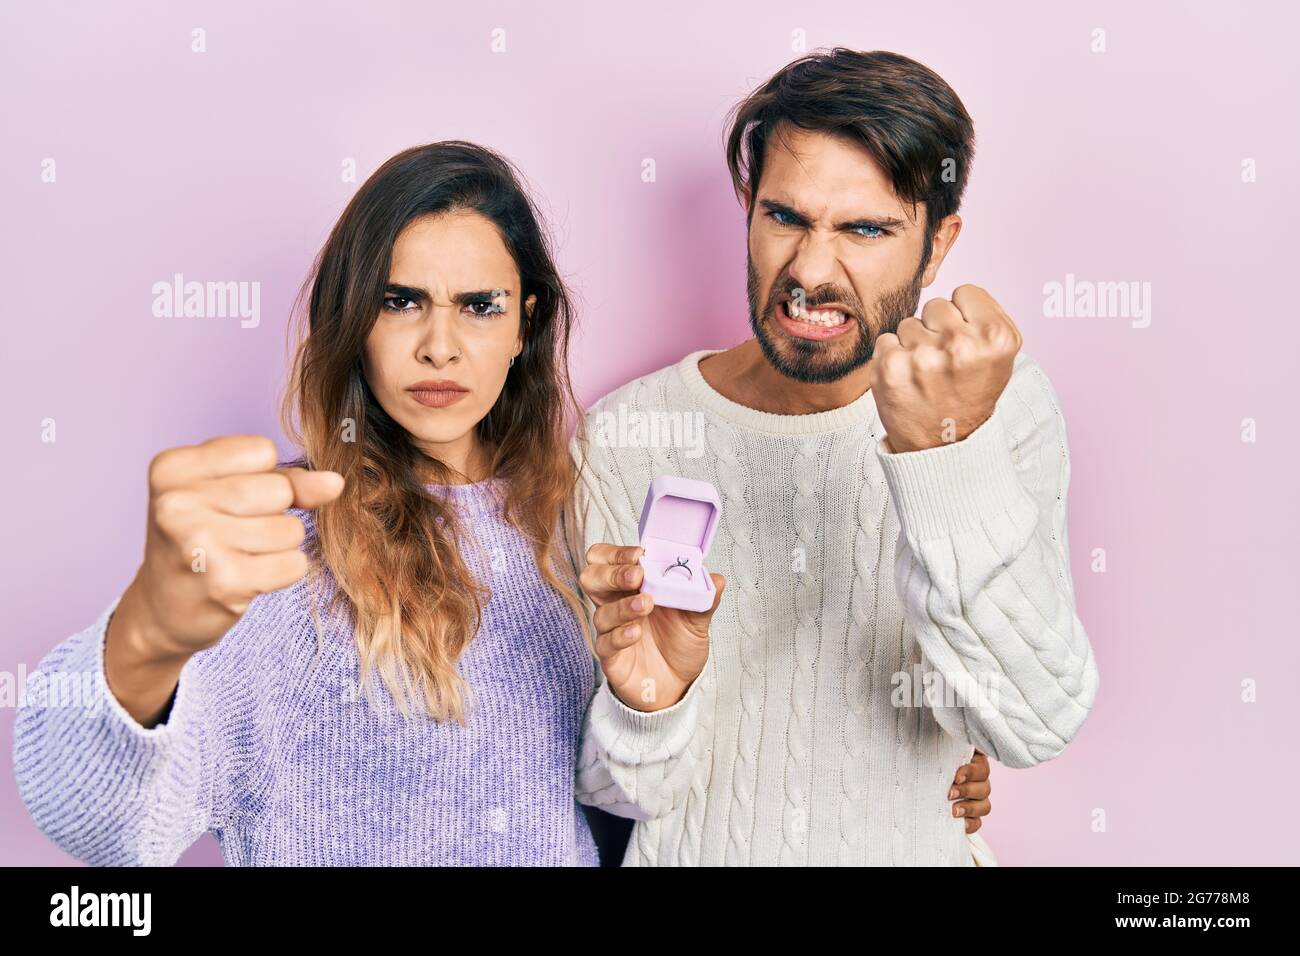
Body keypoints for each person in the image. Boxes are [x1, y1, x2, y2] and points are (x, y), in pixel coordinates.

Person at [572, 48, 1097, 866]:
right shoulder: (629, 431)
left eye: (865, 229)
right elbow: (615, 795)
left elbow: (1029, 724)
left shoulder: (999, 407)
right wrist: (652, 703)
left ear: (937, 243)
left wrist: (939, 457)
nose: (811, 273)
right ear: (747, 207)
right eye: (785, 217)